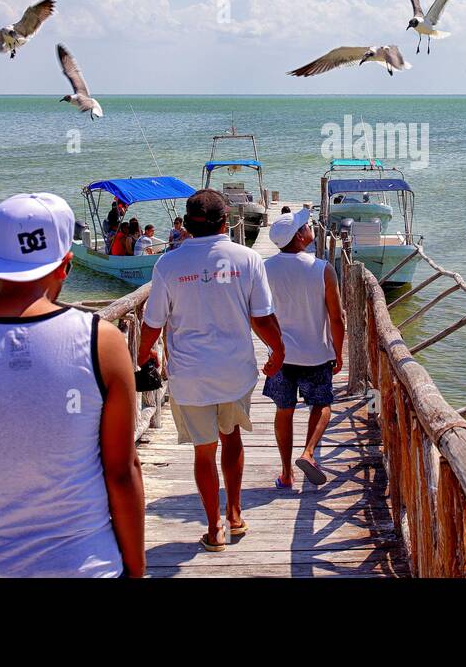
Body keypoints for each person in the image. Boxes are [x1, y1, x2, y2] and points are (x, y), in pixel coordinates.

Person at [0, 192, 145, 577]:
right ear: (65, 266)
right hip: (87, 565)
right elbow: (121, 471)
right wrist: (135, 568)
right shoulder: (102, 341)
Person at [136, 189, 286, 552]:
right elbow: (262, 317)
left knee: (204, 451)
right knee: (231, 437)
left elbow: (153, 324)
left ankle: (214, 526)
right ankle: (235, 515)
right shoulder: (248, 259)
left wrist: (144, 357)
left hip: (189, 375)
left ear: (186, 225)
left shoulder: (167, 265)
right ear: (225, 221)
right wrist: (278, 350)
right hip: (235, 370)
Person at [261, 207, 344, 488]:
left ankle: (286, 473)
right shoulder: (323, 269)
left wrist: (270, 349)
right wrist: (339, 352)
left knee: (284, 410)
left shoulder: (265, 269)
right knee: (321, 405)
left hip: (281, 354)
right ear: (299, 237)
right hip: (316, 354)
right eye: (306, 226)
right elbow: (337, 317)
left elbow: (258, 314)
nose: (310, 227)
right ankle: (308, 453)